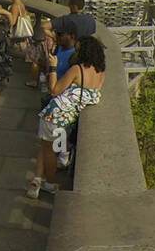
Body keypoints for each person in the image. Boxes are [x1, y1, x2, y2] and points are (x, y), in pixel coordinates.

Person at [31, 35, 107, 200]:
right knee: (48, 149)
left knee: (47, 151)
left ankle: (47, 183)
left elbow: (54, 90)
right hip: (68, 119)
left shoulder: (77, 69)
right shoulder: (101, 72)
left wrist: (53, 67)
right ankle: (37, 181)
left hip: (54, 115)